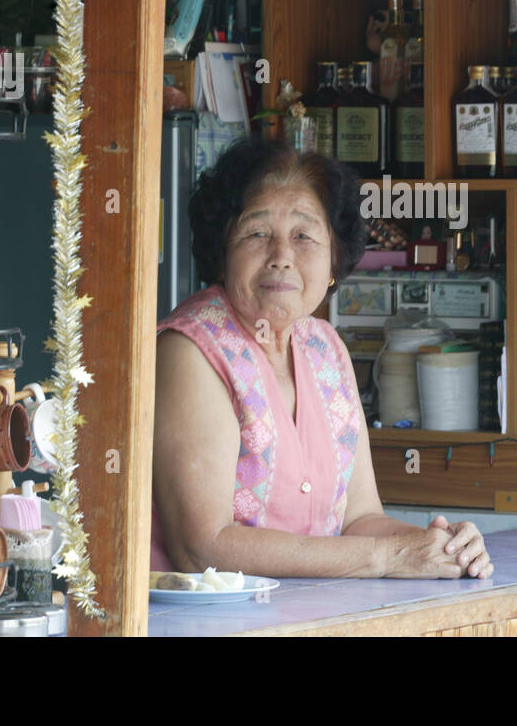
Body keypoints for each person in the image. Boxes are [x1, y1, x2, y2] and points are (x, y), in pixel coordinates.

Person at [151, 138, 494, 579]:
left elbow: (359, 520)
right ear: (223, 252)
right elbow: (202, 548)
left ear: (334, 261)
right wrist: (385, 558)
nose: (281, 258)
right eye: (257, 234)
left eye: (303, 236)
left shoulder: (325, 348)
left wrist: (443, 549)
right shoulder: (191, 350)